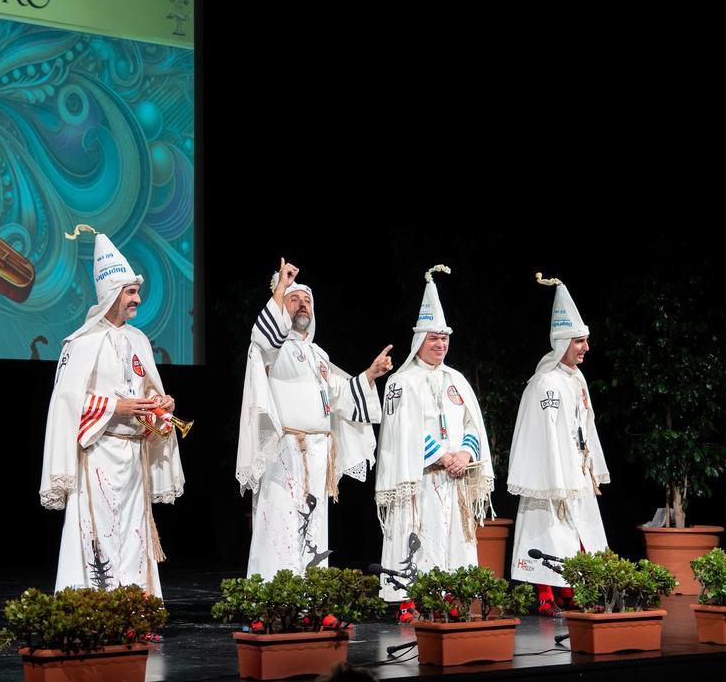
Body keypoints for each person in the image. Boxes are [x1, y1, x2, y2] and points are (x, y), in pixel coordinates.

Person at [38, 225, 185, 596]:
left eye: (136, 291)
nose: (138, 299)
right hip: (99, 454)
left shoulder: (139, 340)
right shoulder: (81, 343)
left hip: (133, 457)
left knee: (134, 534)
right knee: (98, 533)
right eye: (131, 292)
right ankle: (96, 606)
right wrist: (115, 407)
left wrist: (161, 405)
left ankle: (136, 604)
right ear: (111, 295)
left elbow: (147, 389)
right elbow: (66, 404)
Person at [237, 258, 393, 577]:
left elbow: (337, 395)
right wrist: (281, 288)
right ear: (281, 308)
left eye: (307, 300)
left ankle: (310, 596)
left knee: (314, 528)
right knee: (280, 524)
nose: (302, 304)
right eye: (294, 299)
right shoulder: (275, 349)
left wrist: (369, 375)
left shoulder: (318, 354)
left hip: (318, 455)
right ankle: (274, 592)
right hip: (285, 452)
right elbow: (263, 339)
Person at [374, 265, 494, 621]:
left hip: (455, 478)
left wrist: (465, 453)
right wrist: (442, 456)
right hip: (420, 478)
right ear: (419, 341)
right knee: (415, 535)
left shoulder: (456, 379)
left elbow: (473, 423)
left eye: (444, 338)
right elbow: (402, 429)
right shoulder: (401, 382)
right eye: (433, 339)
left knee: (453, 539)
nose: (440, 344)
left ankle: (452, 600)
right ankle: (408, 604)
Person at [508, 273, 609, 615]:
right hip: (551, 474)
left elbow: (586, 426)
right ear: (563, 343)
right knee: (548, 530)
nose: (586, 348)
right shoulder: (544, 383)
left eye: (586, 340)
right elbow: (540, 435)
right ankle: (546, 594)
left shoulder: (577, 379)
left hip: (576, 470)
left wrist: (591, 466)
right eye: (579, 341)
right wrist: (553, 474)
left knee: (578, 532)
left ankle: (572, 589)